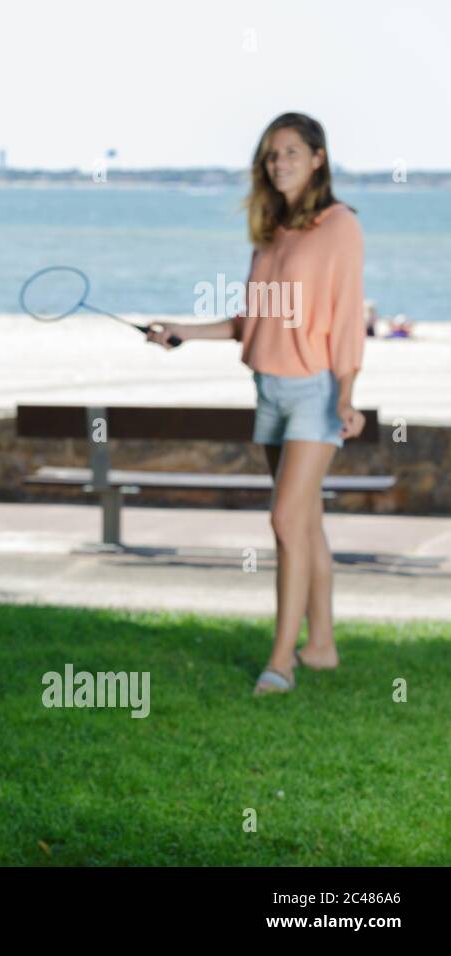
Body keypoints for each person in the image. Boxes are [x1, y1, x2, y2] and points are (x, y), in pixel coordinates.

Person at [148, 112, 365, 696]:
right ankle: (320, 645)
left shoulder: (339, 225)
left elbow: (347, 317)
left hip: (316, 394)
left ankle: (281, 663)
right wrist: (183, 333)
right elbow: (252, 320)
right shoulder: (273, 230)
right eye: (272, 154)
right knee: (304, 524)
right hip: (267, 392)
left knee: (285, 520)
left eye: (292, 151)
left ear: (318, 157)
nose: (280, 162)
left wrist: (348, 394)